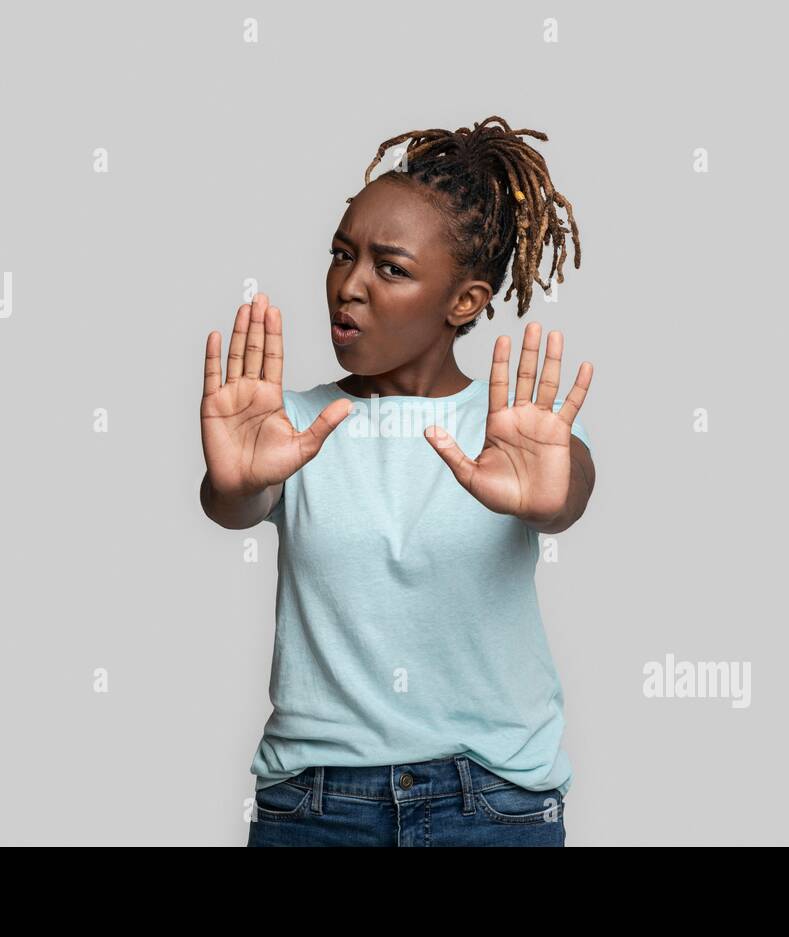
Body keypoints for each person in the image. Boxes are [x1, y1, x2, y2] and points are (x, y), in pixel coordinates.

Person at [199, 116, 596, 846]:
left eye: (390, 267)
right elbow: (233, 500)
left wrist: (557, 491)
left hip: (491, 802)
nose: (348, 286)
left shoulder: (512, 426)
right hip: (317, 806)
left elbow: (565, 492)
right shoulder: (288, 424)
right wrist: (232, 482)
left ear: (465, 301)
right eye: (341, 255)